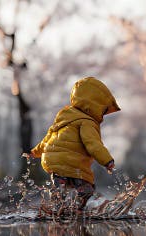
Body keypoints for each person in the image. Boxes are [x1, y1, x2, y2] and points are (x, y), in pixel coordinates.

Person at [29, 77, 119, 211]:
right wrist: (107, 161)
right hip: (73, 164)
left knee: (62, 184)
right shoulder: (87, 122)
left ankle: (58, 201)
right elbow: (93, 144)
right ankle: (77, 209)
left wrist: (35, 152)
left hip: (53, 159)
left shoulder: (63, 117)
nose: (103, 115)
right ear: (94, 105)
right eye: (103, 110)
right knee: (86, 188)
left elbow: (48, 138)